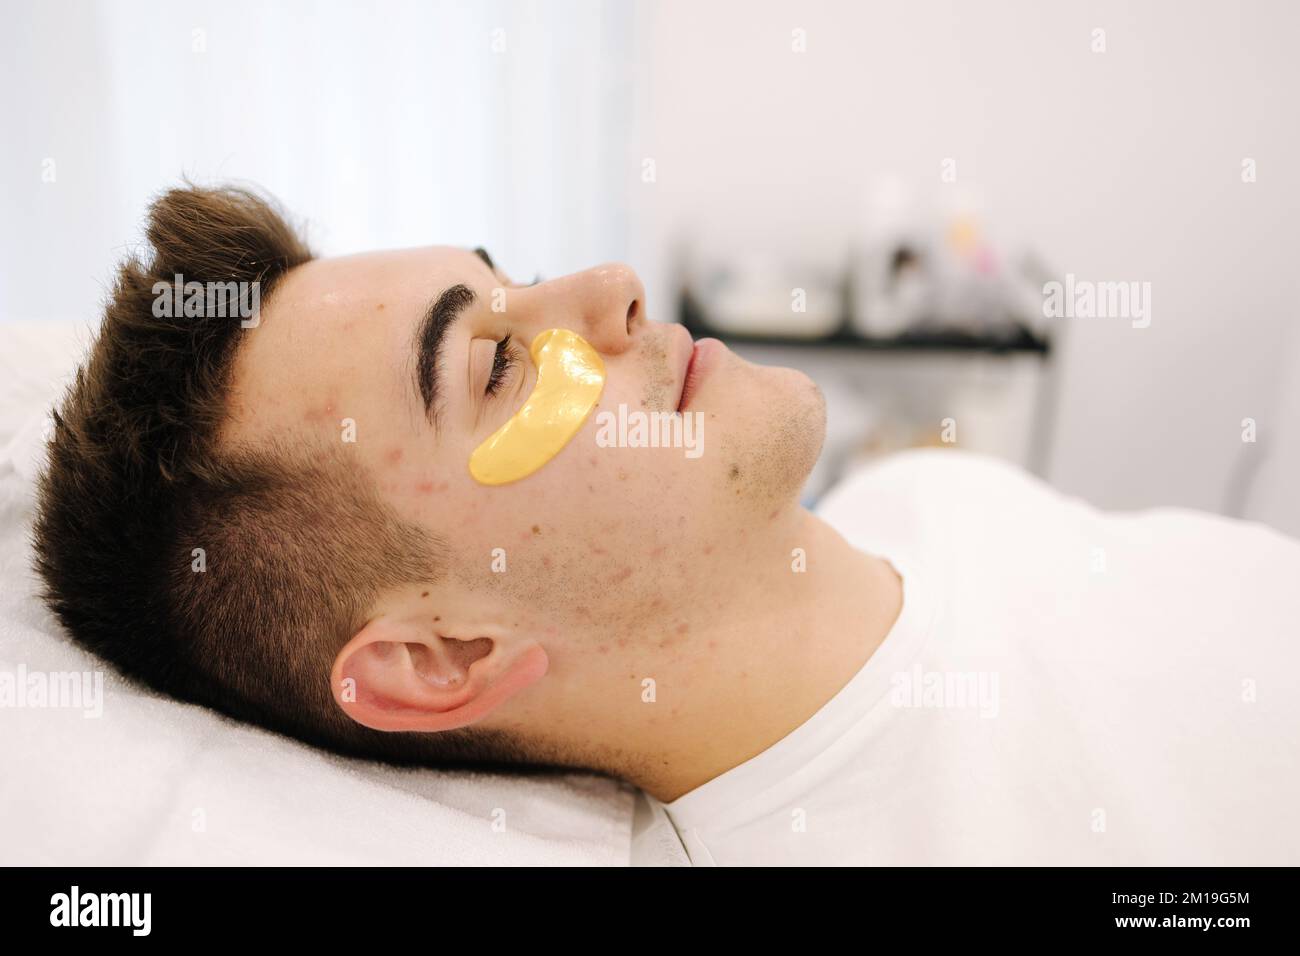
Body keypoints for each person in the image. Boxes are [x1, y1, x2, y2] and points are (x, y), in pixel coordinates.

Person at [33, 185, 1300, 865]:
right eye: (495, 370)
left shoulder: (926, 499)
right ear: (441, 657)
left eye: (510, 276)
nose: (607, 290)